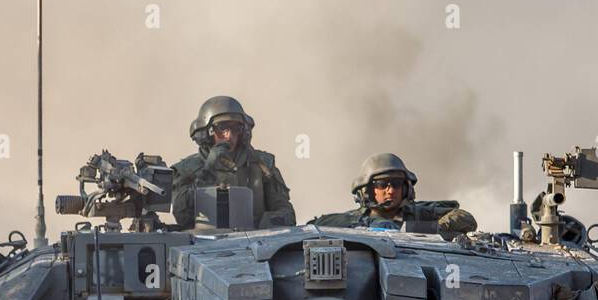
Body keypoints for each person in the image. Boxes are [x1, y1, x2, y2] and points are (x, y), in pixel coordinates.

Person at [170, 96, 295, 230]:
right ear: (207, 133)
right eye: (222, 128)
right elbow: (182, 217)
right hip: (205, 246)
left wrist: (262, 225)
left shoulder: (262, 165)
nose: (229, 136)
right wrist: (208, 171)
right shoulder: (187, 170)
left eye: (235, 128)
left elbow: (286, 213)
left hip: (255, 243)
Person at [311, 153, 476, 239]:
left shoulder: (418, 213)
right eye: (383, 185)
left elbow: (466, 219)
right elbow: (309, 229)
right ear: (367, 190)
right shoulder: (348, 221)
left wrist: (436, 228)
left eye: (396, 184)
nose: (391, 191)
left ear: (406, 188)